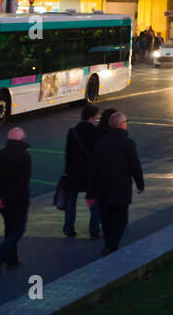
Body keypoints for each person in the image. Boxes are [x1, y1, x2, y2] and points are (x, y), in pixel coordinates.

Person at [86, 112, 145, 255]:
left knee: (107, 220)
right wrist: (140, 184)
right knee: (121, 219)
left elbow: (93, 169)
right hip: (121, 188)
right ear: (122, 124)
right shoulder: (128, 143)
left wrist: (90, 192)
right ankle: (111, 246)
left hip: (103, 189)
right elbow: (134, 165)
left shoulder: (101, 144)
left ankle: (109, 245)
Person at [0, 127, 32, 276]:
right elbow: (23, 182)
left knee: (9, 227)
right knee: (18, 230)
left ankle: (12, 258)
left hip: (1, 199)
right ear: (22, 139)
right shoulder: (25, 156)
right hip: (18, 199)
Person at [62, 104, 101, 240]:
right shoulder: (96, 132)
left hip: (73, 172)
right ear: (92, 117)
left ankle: (68, 228)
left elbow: (68, 154)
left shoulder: (72, 131)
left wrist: (67, 171)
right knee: (94, 201)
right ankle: (94, 230)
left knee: (71, 201)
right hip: (89, 173)